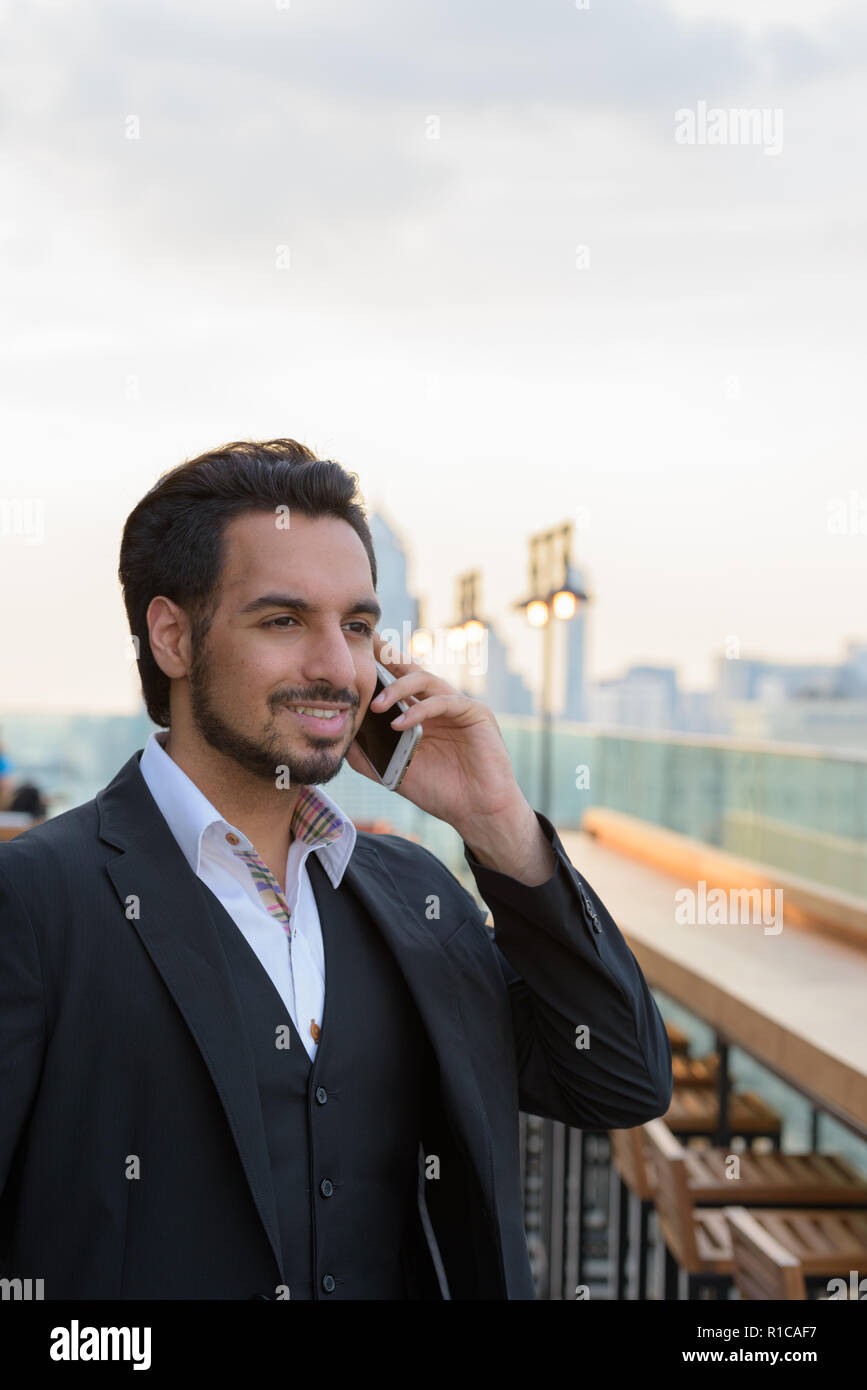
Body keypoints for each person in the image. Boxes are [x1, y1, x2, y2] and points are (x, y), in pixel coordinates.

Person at [0, 438, 673, 1300]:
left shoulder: (414, 897)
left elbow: (617, 1077)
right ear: (171, 636)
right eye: (284, 621)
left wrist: (496, 821)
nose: (336, 666)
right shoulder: (34, 903)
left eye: (356, 626)